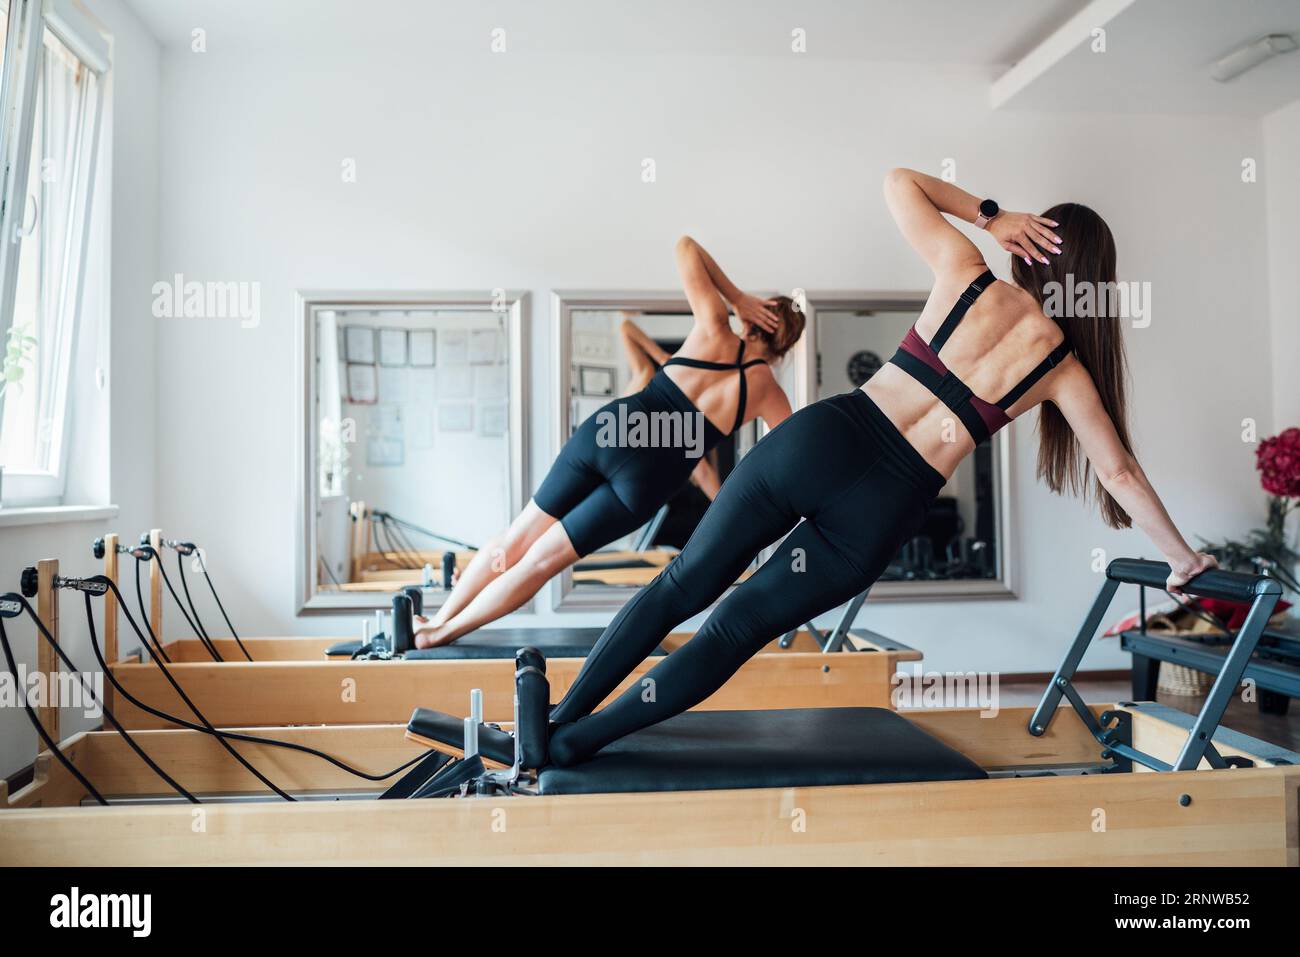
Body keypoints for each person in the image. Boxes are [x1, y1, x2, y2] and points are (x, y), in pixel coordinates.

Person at [546, 168, 1218, 766]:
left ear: (1031, 246)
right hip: (883, 508)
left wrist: (991, 216)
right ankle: (576, 742)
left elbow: (900, 181)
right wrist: (1182, 559)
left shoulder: (967, 270)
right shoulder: (1064, 369)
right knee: (735, 628)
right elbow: (1119, 473)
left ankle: (556, 718)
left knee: (681, 583)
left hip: (829, 439)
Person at [414, 237, 803, 647]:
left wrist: (736, 297)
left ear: (751, 317)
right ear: (785, 346)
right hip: (653, 475)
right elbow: (790, 462)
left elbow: (685, 246)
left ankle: (437, 618)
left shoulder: (713, 327)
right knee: (541, 562)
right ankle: (443, 633)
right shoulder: (767, 390)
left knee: (514, 541)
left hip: (616, 431)